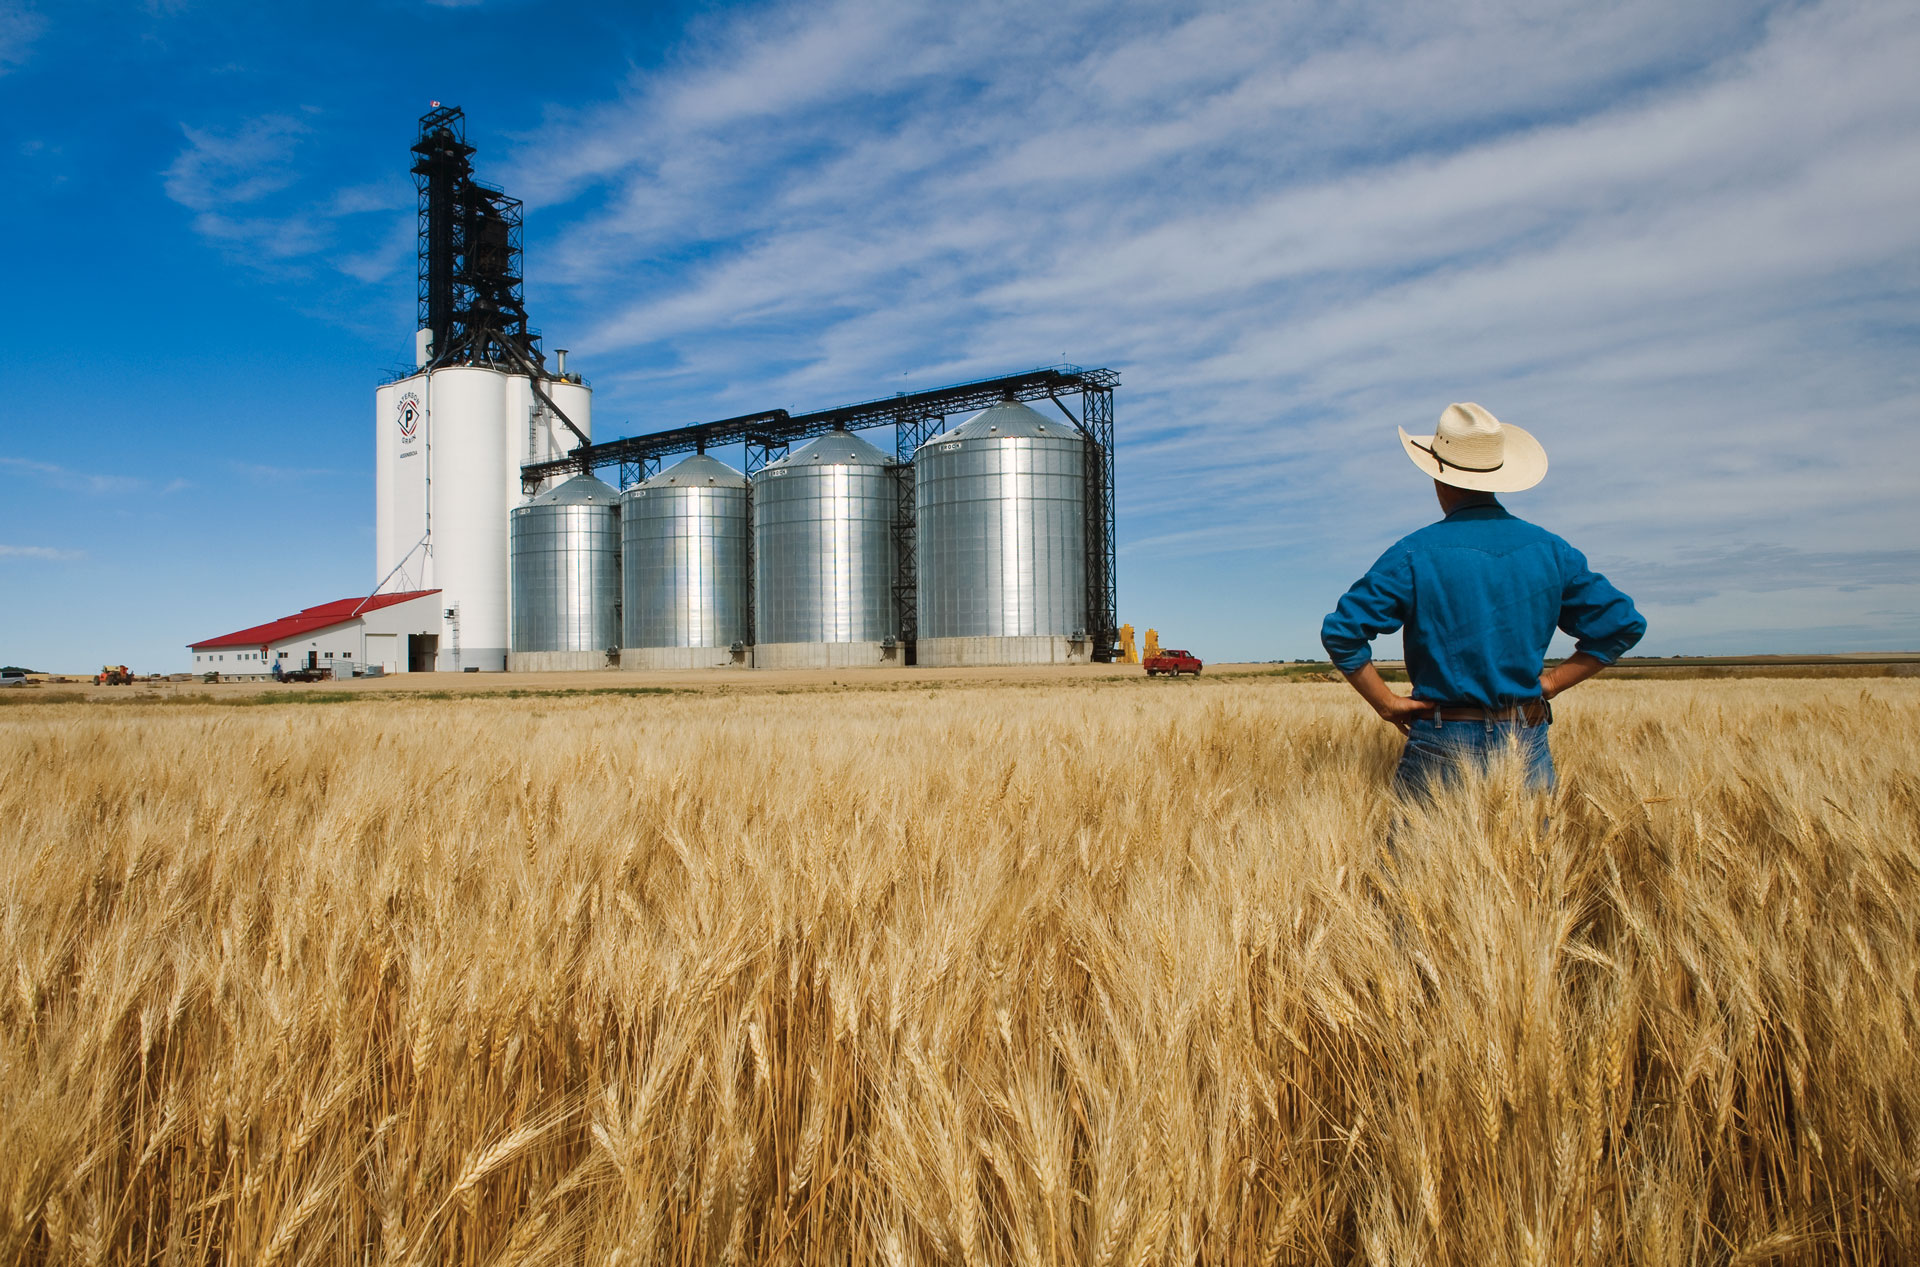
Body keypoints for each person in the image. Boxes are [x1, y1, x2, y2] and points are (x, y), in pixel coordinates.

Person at [1320, 403, 1645, 798]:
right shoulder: (1552, 550)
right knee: (1528, 859)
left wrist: (1386, 703)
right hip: (1525, 734)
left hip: (1442, 735)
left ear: (1437, 475)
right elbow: (1622, 625)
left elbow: (1342, 632)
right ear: (1499, 475)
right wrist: (1552, 683)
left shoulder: (1413, 553)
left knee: (1420, 861)